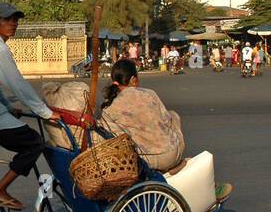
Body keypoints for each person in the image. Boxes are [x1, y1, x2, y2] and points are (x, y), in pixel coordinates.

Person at [0, 1, 90, 211]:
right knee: (35, 143)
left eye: (15, 19)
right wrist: (45, 112)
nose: (13, 23)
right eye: (7, 20)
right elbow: (18, 85)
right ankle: (0, 190)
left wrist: (9, 109)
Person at [97, 59, 234, 201]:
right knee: (173, 115)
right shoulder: (149, 94)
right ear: (133, 79)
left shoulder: (109, 108)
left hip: (144, 160)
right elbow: (167, 120)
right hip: (169, 154)